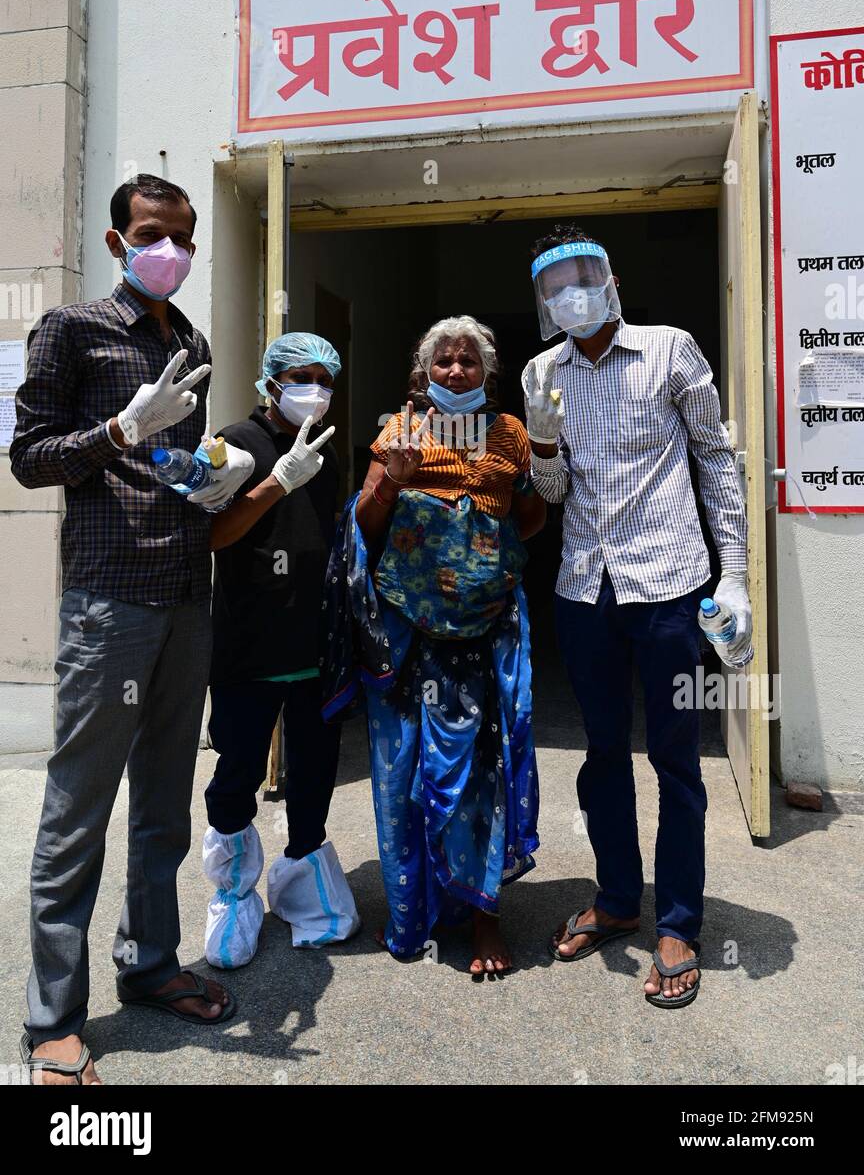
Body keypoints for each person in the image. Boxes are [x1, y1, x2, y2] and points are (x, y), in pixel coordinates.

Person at [10, 174, 255, 1084]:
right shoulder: (71, 329)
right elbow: (29, 458)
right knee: (80, 808)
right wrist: (115, 430)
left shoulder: (189, 339)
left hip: (187, 591)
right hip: (111, 601)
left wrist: (212, 475)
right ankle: (52, 1019)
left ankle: (150, 964)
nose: (172, 252)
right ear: (118, 241)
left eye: (185, 239)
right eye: (154, 234)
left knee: (162, 802)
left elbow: (172, 465)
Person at [522, 224, 750, 1009]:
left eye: (582, 278)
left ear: (610, 280)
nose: (571, 296)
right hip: (584, 590)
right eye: (554, 288)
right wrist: (542, 446)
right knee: (601, 756)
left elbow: (715, 459)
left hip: (670, 586)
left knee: (677, 759)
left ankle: (679, 922)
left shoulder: (670, 349)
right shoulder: (541, 372)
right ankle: (619, 898)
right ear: (544, 300)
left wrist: (736, 575)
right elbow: (553, 495)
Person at [322, 316, 545, 976]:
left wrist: (487, 532)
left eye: (468, 360)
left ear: (487, 373)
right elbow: (365, 526)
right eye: (443, 360)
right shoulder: (400, 430)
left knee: (482, 776)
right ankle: (412, 913)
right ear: (424, 372)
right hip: (408, 636)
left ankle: (483, 920)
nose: (455, 370)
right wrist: (393, 480)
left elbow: (532, 519)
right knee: (405, 779)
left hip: (484, 633)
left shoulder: (511, 435)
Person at [202, 333, 359, 967]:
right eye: (301, 378)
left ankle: (302, 881)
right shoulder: (236, 441)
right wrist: (277, 482)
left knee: (315, 771)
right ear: (271, 382)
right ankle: (233, 894)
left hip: (315, 644)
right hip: (250, 644)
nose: (315, 391)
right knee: (238, 770)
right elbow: (214, 533)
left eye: (325, 380)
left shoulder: (324, 447)